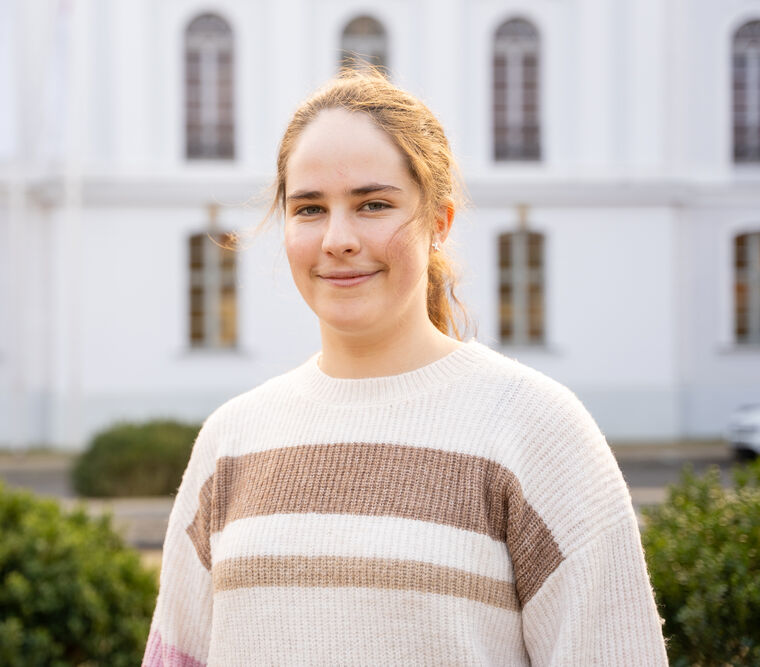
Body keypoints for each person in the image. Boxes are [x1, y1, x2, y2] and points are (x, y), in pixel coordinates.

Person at [143, 70, 667, 666]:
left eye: (373, 205)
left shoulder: (537, 430)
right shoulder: (230, 443)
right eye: (310, 208)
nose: (337, 239)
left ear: (439, 222)